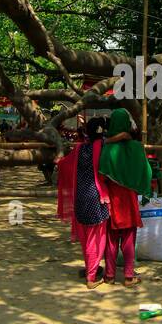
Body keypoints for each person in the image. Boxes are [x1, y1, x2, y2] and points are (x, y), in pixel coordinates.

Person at [56, 118, 114, 287]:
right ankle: (91, 277)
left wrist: (58, 160)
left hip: (80, 198)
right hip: (97, 199)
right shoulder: (103, 147)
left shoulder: (79, 148)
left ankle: (91, 267)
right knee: (96, 238)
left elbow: (64, 164)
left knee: (85, 237)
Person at [99, 107, 152, 285]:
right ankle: (129, 276)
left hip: (112, 200)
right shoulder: (137, 148)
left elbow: (102, 176)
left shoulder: (106, 149)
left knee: (111, 240)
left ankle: (110, 275)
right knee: (129, 239)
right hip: (129, 200)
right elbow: (147, 172)